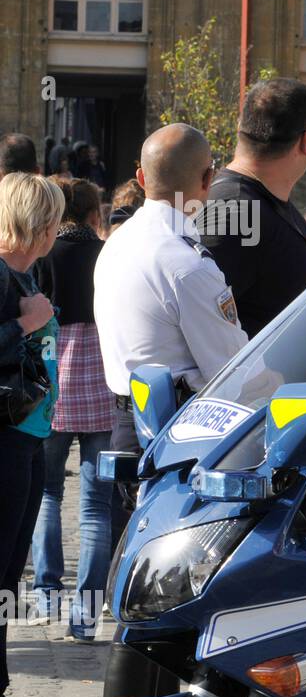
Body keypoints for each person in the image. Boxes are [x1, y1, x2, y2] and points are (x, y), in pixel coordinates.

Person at [95, 124, 249, 462]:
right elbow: (230, 369)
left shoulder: (115, 243)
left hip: (125, 422)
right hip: (178, 430)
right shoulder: (187, 263)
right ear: (208, 178)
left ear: (141, 177)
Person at [30, 180, 115, 640]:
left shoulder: (45, 256)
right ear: (93, 212)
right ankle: (84, 619)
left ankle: (45, 595)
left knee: (47, 495)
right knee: (96, 507)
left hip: (52, 388)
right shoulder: (107, 256)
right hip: (100, 387)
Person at [0, 172, 64, 697]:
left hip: (25, 435)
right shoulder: (5, 274)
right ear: (39, 223)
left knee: (7, 575)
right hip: (5, 438)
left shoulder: (26, 271)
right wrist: (27, 321)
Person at [195, 78, 306, 338]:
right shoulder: (234, 210)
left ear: (239, 127)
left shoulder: (256, 201)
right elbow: (200, 324)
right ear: (305, 140)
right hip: (257, 379)